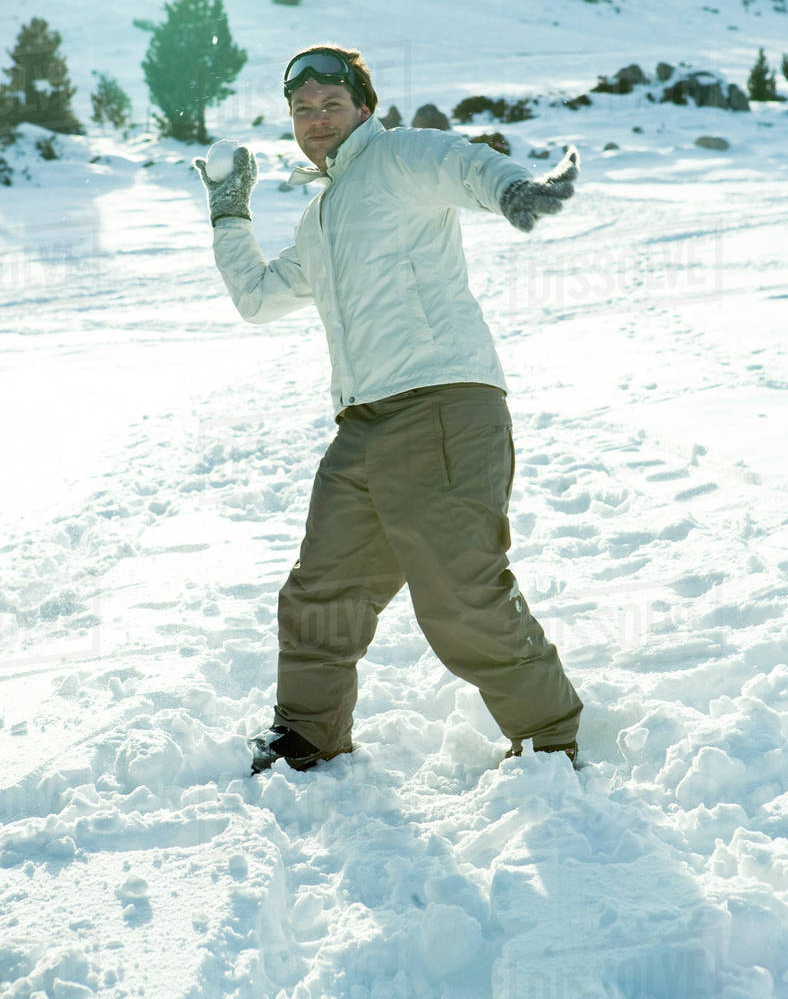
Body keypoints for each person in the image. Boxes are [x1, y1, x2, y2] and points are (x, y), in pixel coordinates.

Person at [194, 45, 583, 774]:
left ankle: (549, 741)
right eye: (302, 110)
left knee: (460, 590)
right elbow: (258, 299)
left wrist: (512, 190)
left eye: (329, 105)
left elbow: (459, 162)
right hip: (363, 423)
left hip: (441, 401)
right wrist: (227, 210)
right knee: (322, 587)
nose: (315, 120)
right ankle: (308, 732)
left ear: (362, 109)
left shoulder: (397, 157)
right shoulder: (322, 216)